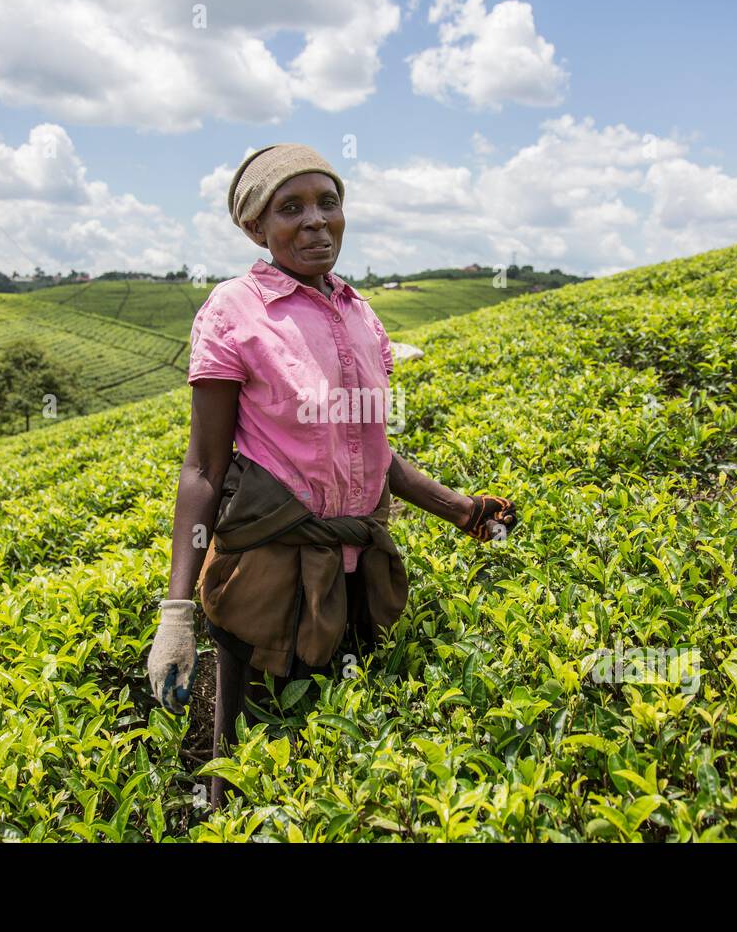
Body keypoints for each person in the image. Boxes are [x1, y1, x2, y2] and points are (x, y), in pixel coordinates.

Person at [146, 143, 519, 810]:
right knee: (246, 770)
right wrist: (176, 615)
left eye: (329, 202)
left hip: (353, 578)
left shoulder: (359, 313)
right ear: (255, 228)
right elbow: (203, 466)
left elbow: (375, 453)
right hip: (267, 576)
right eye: (291, 208)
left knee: (332, 758)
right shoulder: (235, 310)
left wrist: (463, 509)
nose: (317, 221)